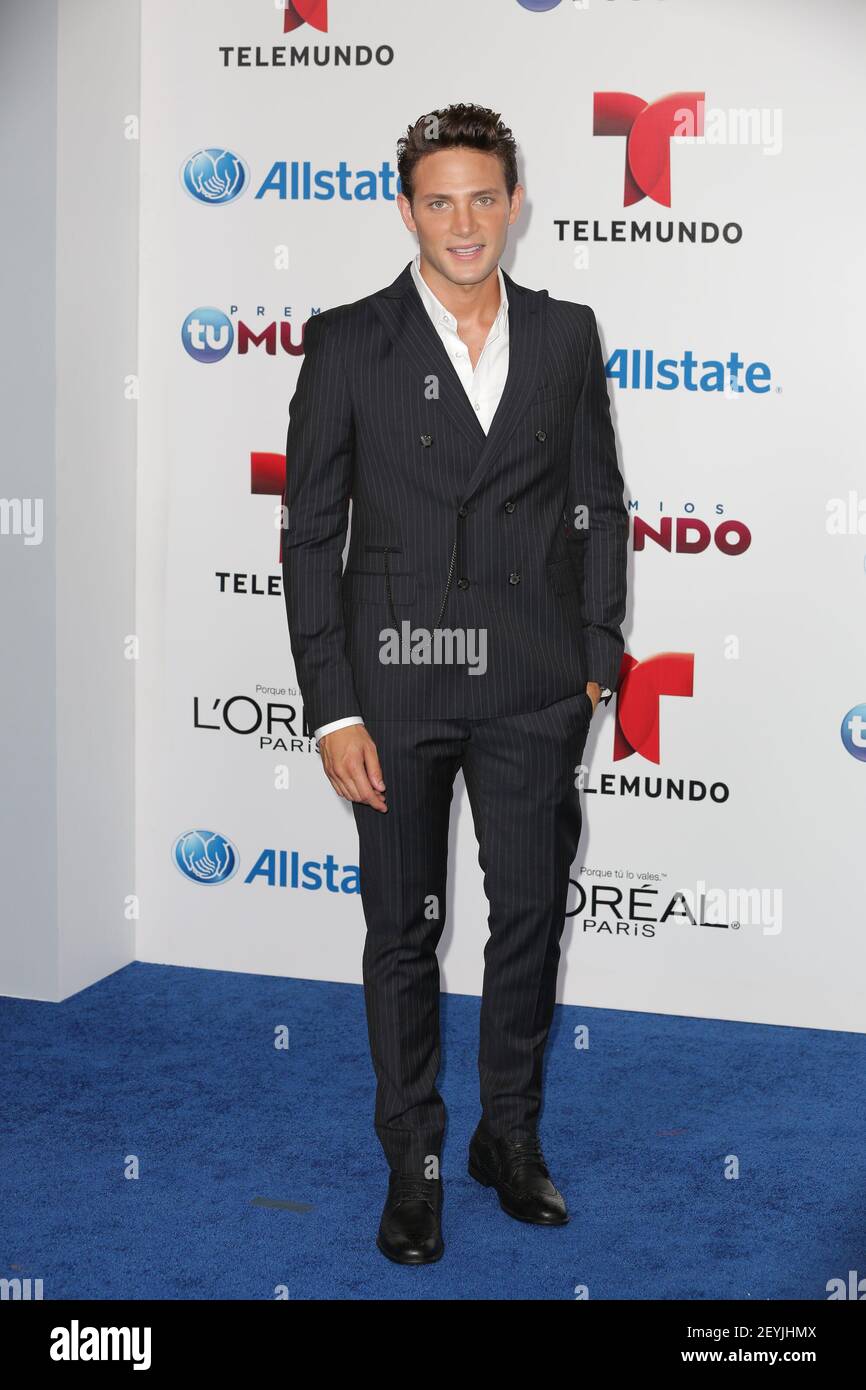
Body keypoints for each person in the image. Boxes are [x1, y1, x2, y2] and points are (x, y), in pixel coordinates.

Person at [281, 103, 628, 1264]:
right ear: (406, 210)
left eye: (484, 197)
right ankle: (416, 1166)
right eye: (439, 199)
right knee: (401, 934)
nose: (463, 221)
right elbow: (307, 534)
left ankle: (508, 1142)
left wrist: (592, 659)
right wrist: (330, 704)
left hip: (533, 684)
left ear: (515, 203)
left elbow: (599, 503)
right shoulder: (344, 341)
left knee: (528, 919)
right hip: (395, 691)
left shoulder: (567, 332)